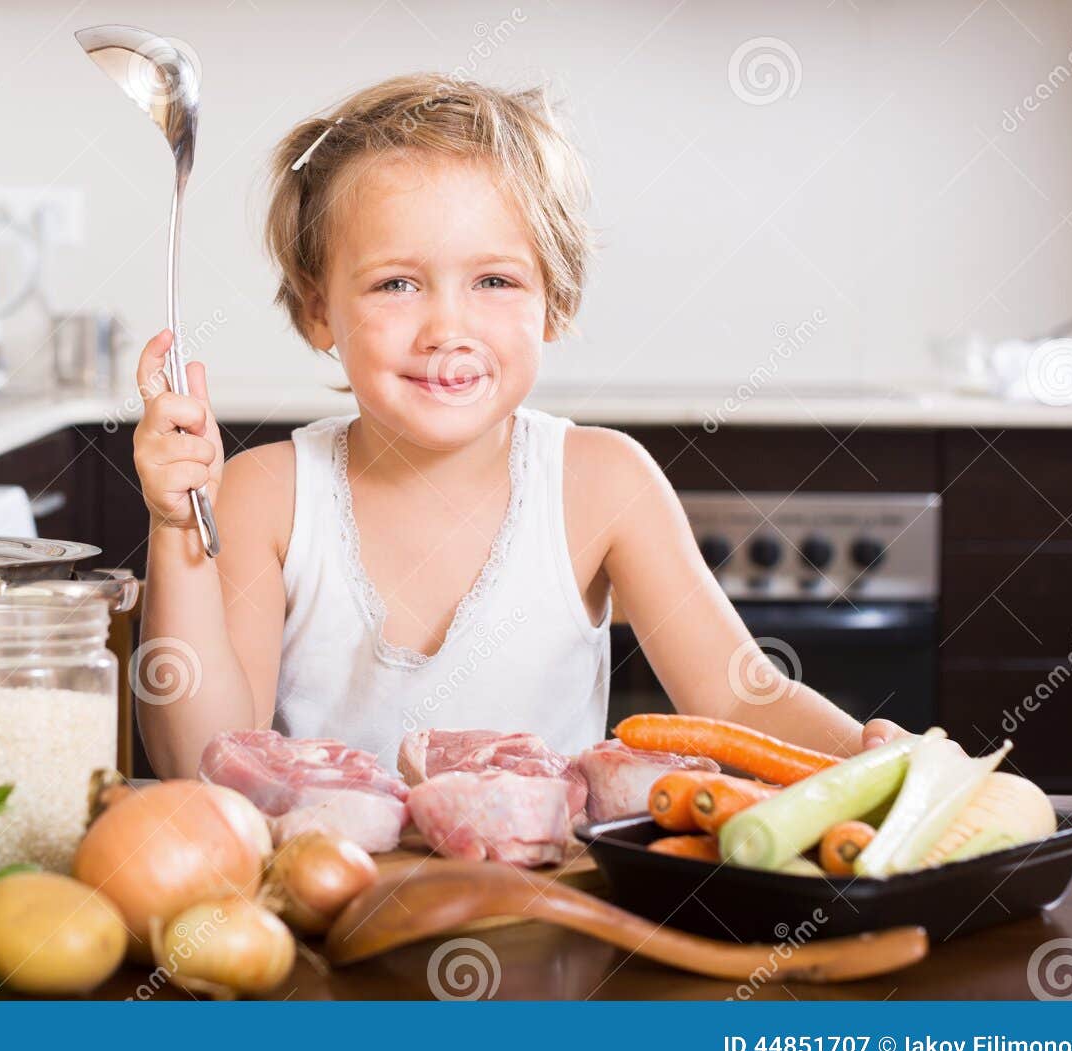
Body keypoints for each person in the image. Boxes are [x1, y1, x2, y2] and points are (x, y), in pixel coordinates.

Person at [131, 73, 908, 778]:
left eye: (494, 280)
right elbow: (203, 762)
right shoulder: (266, 495)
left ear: (556, 301)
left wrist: (881, 761)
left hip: (553, 909)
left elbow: (739, 703)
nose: (448, 326)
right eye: (396, 284)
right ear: (317, 311)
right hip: (328, 914)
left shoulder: (603, 483)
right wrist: (175, 531)